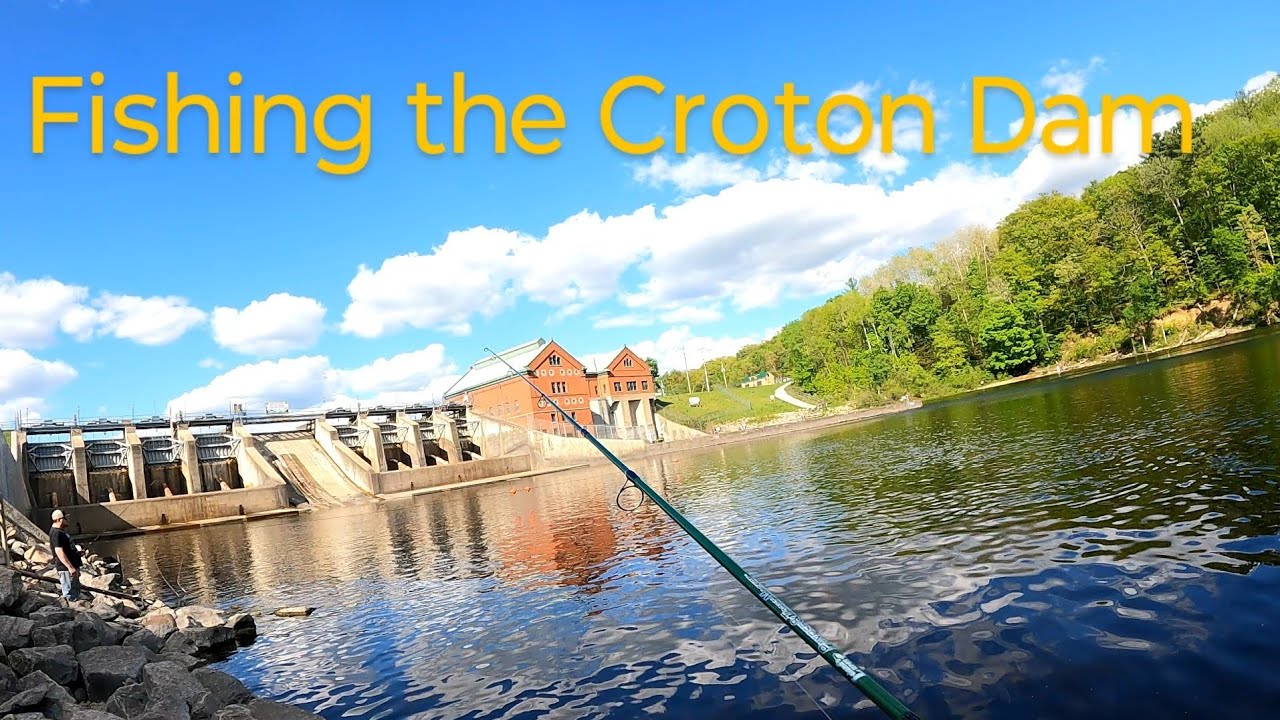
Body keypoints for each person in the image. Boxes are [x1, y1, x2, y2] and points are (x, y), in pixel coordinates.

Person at [49, 509, 83, 603]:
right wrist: (70, 567)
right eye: (65, 518)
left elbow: (66, 549)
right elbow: (58, 551)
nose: (67, 521)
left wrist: (77, 553)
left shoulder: (61, 532)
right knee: (68, 593)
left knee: (74, 591)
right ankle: (71, 610)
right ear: (60, 520)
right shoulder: (56, 533)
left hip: (70, 566)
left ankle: (75, 607)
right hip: (65, 568)